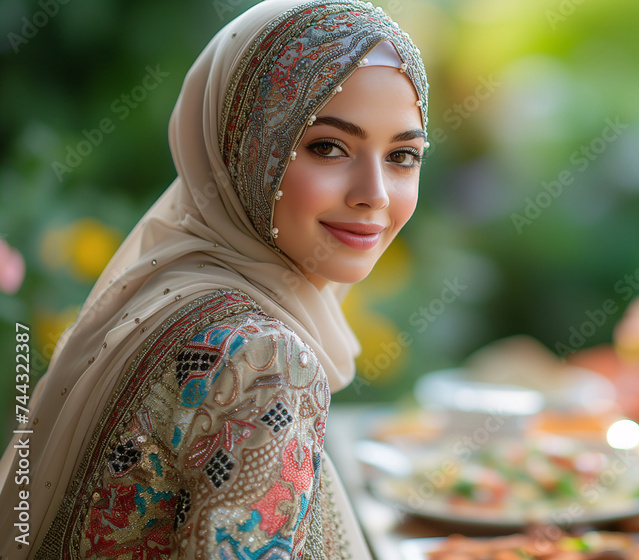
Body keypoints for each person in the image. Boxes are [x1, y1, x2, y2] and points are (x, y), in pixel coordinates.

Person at [0, 0, 428, 557]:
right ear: (248, 151)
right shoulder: (264, 361)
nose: (373, 192)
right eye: (328, 147)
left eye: (403, 155)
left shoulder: (161, 292)